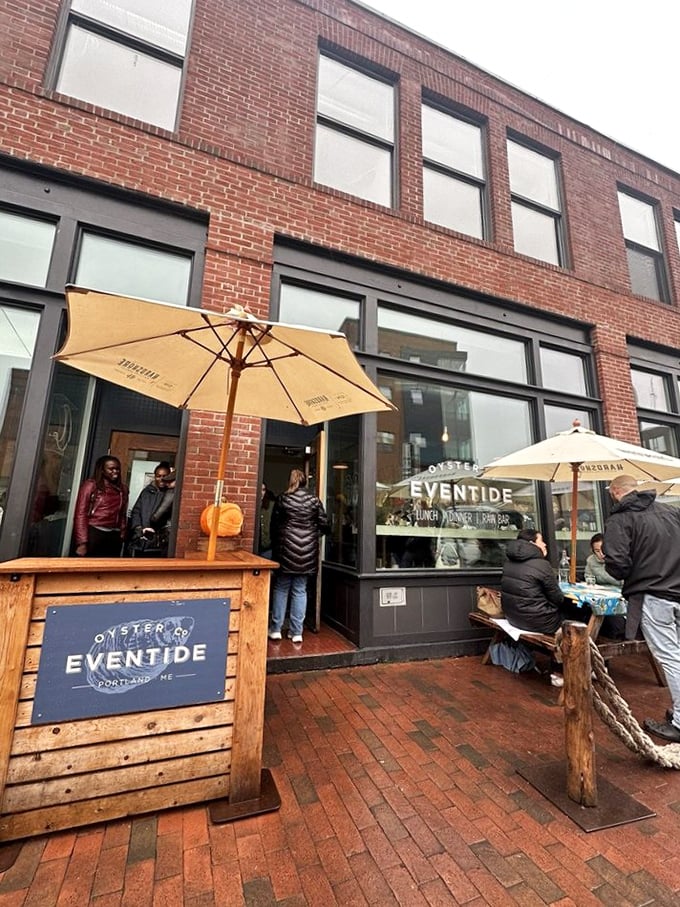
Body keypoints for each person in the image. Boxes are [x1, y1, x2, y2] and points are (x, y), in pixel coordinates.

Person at [604, 474, 680, 743]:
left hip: (653, 594)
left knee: (670, 657)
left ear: (615, 492)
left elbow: (618, 565)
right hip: (677, 590)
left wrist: (612, 563)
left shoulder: (620, 518)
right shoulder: (670, 511)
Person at [501, 528, 586, 686]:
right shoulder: (541, 564)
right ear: (532, 544)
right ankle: (560, 670)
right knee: (578, 618)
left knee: (568, 616)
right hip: (537, 620)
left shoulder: (509, 562)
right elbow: (558, 598)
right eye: (542, 541)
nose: (545, 544)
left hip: (514, 617)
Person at [268, 468, 330, 643]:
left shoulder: (283, 499)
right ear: (305, 482)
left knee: (281, 588)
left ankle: (275, 629)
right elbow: (325, 526)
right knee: (300, 590)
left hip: (285, 551)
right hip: (307, 554)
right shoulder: (314, 501)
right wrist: (313, 536)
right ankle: (296, 632)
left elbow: (274, 526)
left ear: (291, 481)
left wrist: (278, 543)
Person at [73, 456, 128, 557]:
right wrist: (82, 542)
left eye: (117, 469)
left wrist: (122, 534)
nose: (115, 471)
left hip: (114, 535)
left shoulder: (123, 489)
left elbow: (122, 514)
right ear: (102, 470)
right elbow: (80, 514)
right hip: (95, 532)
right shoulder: (91, 485)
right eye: (111, 469)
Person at [126, 462, 174, 557]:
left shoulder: (171, 494)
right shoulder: (147, 492)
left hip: (160, 542)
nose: (161, 479)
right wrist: (139, 528)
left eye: (164, 476)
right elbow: (136, 511)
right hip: (142, 539)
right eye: (158, 476)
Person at [259, 482, 276, 558]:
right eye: (260, 489)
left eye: (263, 490)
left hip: (268, 547)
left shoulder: (271, 505)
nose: (261, 492)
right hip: (255, 547)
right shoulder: (252, 505)